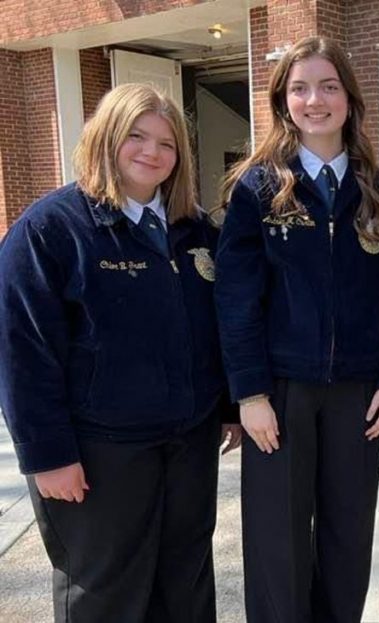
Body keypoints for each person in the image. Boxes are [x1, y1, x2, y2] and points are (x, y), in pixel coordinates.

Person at [0, 83, 239, 623]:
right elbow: (23, 352)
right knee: (107, 594)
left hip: (188, 444)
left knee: (186, 582)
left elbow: (217, 329)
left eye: (166, 143)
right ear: (105, 138)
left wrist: (227, 406)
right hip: (99, 453)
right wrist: (48, 455)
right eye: (136, 136)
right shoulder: (49, 231)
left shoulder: (196, 230)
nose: (152, 153)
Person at [214, 36, 379, 623]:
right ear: (284, 102)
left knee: (348, 536)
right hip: (280, 394)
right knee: (277, 541)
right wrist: (248, 393)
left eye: (329, 86)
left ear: (350, 100)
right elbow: (236, 300)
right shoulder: (257, 191)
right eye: (300, 88)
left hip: (358, 394)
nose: (315, 100)